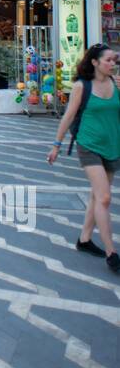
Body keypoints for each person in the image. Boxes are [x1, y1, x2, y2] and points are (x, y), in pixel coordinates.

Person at [48, 43, 120, 274]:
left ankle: (85, 239)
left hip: (112, 145)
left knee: (97, 196)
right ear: (95, 62)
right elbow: (68, 116)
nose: (113, 64)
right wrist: (56, 145)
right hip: (88, 145)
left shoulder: (115, 84)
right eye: (108, 60)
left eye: (114, 60)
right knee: (105, 197)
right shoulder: (82, 86)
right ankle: (112, 253)